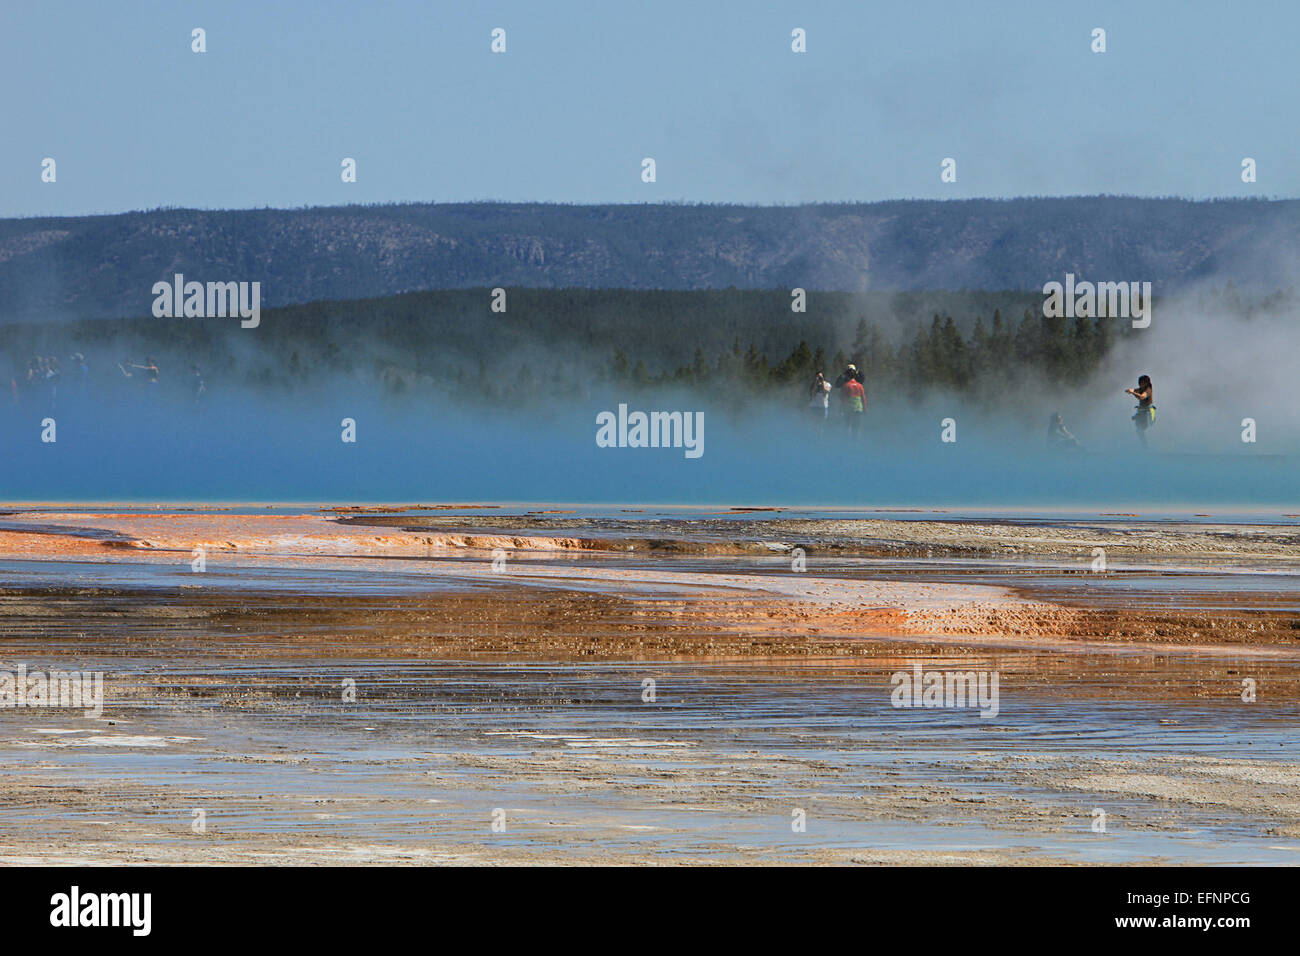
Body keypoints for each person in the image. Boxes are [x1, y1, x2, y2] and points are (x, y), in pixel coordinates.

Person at [1124, 374, 1155, 446]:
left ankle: (1147, 446)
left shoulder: (1148, 390)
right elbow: (1135, 390)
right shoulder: (1141, 388)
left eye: (1141, 382)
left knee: (1143, 429)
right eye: (1139, 382)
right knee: (1139, 430)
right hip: (1142, 410)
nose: (1140, 384)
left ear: (1146, 383)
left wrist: (1132, 393)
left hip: (1148, 411)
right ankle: (1145, 446)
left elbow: (1142, 397)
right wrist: (1130, 390)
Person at [841, 367, 866, 438]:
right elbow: (863, 398)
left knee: (848, 426)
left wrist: (842, 408)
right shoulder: (860, 386)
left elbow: (843, 399)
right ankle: (856, 443)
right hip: (858, 408)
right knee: (857, 427)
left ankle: (848, 442)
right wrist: (865, 408)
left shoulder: (846, 385)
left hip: (849, 408)